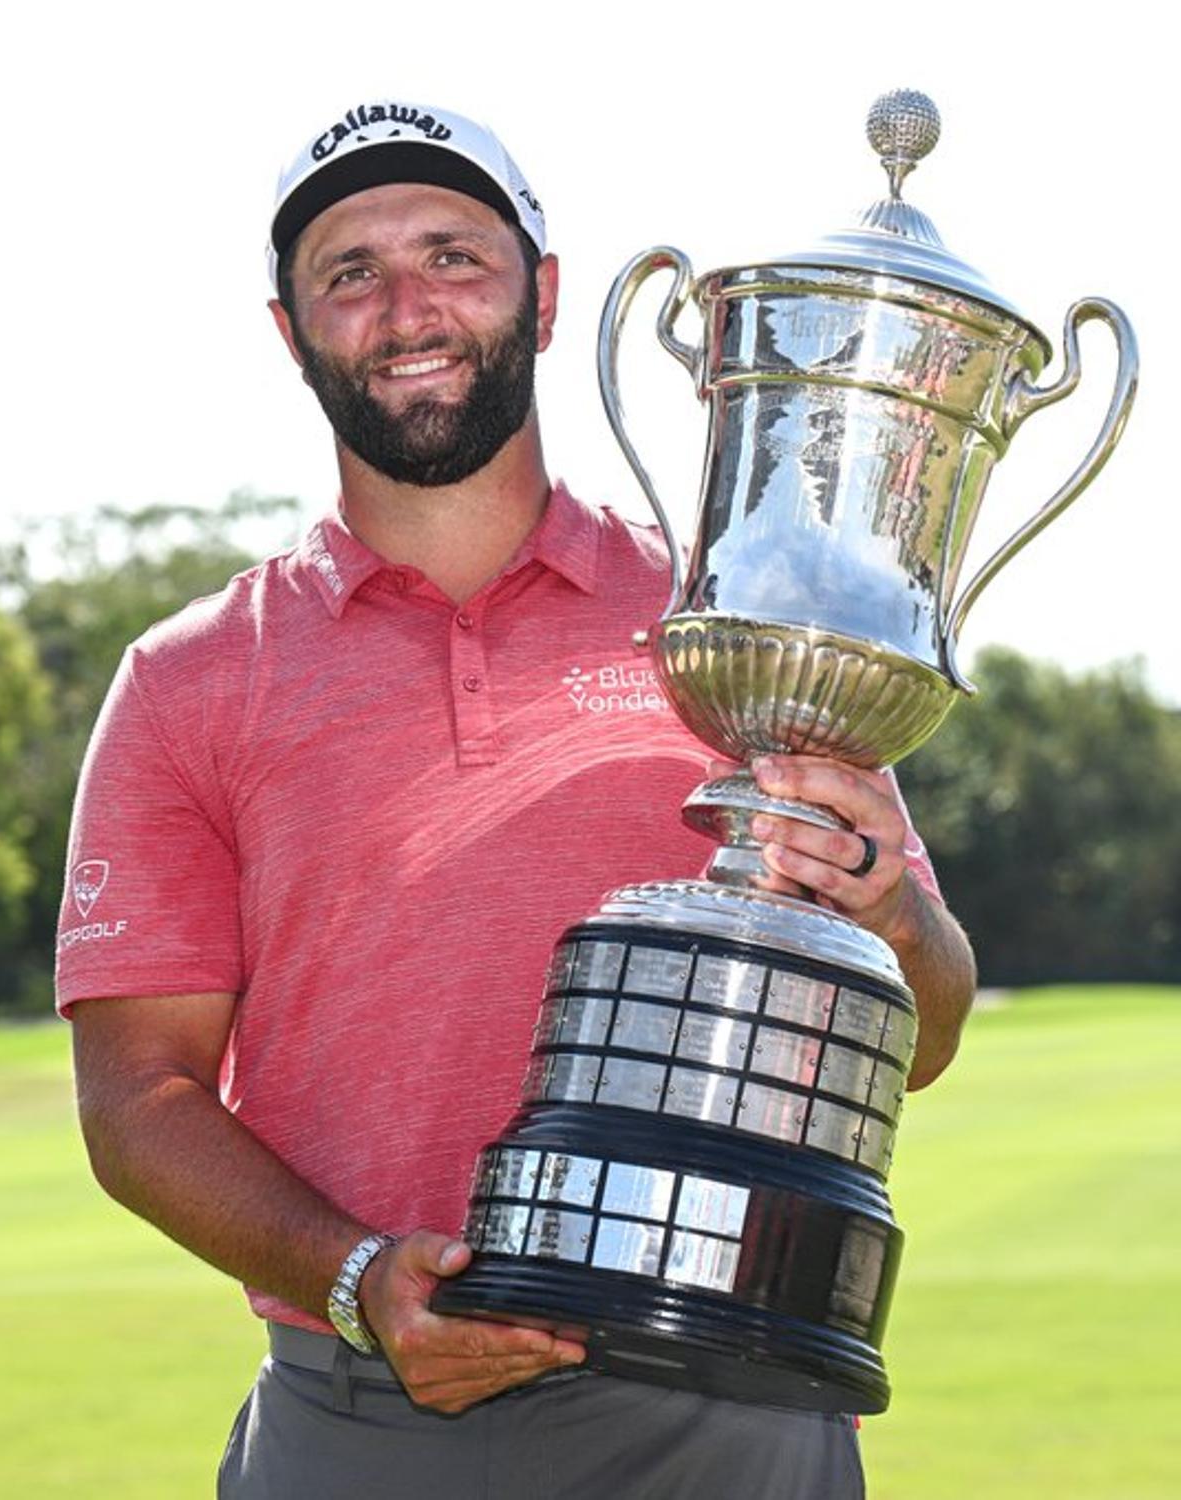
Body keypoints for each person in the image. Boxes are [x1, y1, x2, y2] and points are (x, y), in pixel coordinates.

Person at [58, 100, 976, 1499]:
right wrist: (355, 1275)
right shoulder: (190, 680)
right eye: (351, 273)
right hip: (360, 1414)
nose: (407, 307)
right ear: (292, 331)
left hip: (725, 1405)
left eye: (453, 256)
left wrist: (892, 913)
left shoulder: (743, 612)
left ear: (544, 298)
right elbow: (138, 1098)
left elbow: (924, 1035)